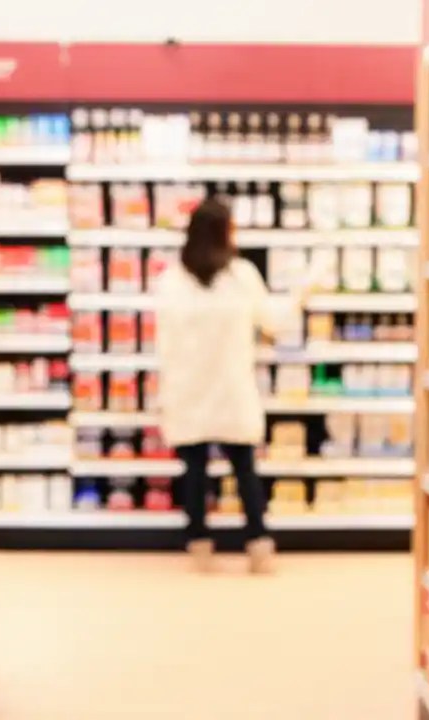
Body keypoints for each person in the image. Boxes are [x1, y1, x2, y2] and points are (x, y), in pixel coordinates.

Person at [154, 197, 289, 573]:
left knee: (195, 472)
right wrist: (306, 290)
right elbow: (273, 322)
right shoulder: (241, 275)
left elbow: (163, 344)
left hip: (188, 388)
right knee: (245, 470)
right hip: (232, 387)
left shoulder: (170, 280)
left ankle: (199, 546)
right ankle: (259, 546)